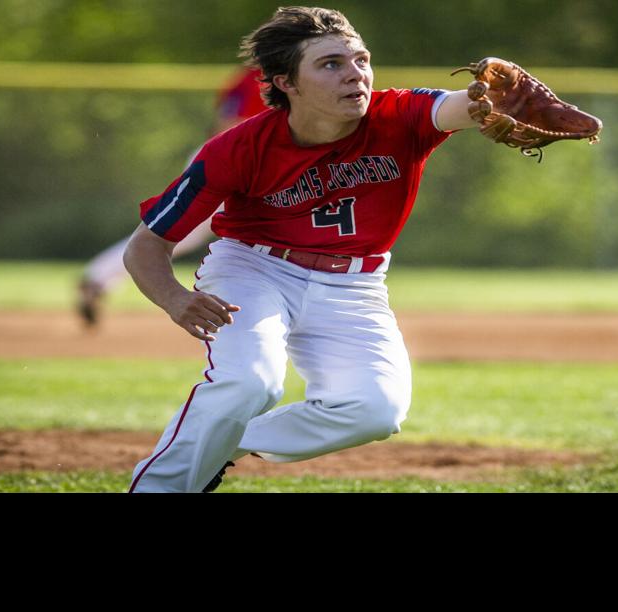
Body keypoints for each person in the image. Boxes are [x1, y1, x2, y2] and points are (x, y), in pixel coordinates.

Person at [123, 6, 482, 493]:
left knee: (374, 410)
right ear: (285, 82)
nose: (355, 74)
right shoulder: (238, 148)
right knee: (251, 382)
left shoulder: (399, 115)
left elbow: (464, 105)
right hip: (254, 270)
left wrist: (495, 97)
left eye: (360, 59)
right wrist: (174, 298)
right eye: (331, 64)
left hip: (355, 284)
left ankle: (219, 442)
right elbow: (146, 245)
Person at [74, 66, 271, 329]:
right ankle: (97, 278)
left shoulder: (261, 74)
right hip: (229, 159)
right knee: (175, 233)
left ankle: (97, 277)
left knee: (180, 234)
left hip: (231, 157)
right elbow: (229, 123)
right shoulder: (261, 77)